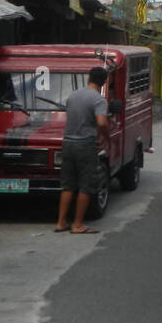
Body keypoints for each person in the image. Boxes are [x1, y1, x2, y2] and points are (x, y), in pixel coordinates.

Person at [55, 66, 109, 234]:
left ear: (88, 78)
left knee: (68, 185)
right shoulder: (99, 100)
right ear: (104, 82)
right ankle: (77, 225)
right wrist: (105, 135)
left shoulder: (73, 96)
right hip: (85, 145)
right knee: (86, 185)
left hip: (68, 143)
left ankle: (61, 222)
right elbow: (101, 122)